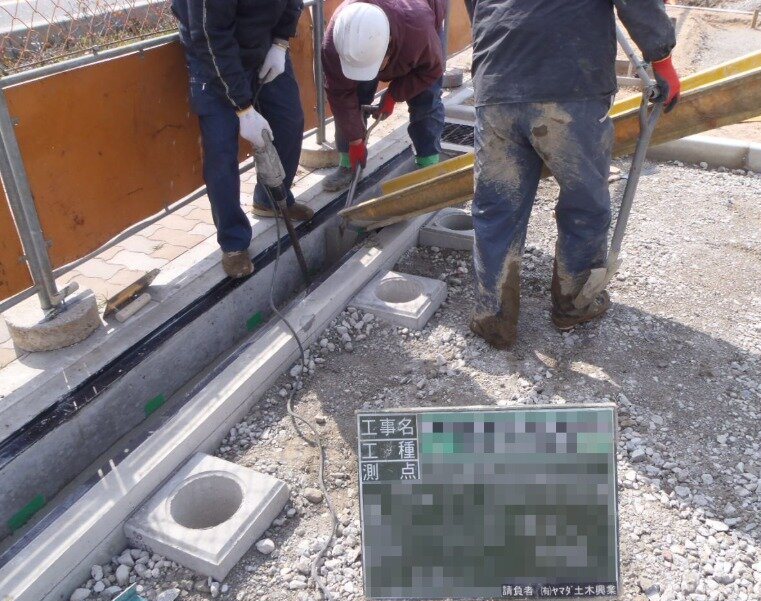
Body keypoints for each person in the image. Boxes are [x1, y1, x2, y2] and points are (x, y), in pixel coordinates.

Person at [469, 0, 681, 349]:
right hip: (571, 82)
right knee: (584, 202)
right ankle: (574, 303)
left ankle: (494, 316)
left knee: (496, 208)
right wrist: (663, 60)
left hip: (497, 82)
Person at [171, 0, 312, 279]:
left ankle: (271, 200)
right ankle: (233, 240)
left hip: (264, 43)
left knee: (289, 120)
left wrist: (280, 43)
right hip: (212, 56)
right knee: (221, 151)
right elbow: (211, 37)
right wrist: (244, 109)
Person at [321, 0, 446, 193]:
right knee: (352, 98)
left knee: (425, 100)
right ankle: (348, 162)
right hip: (391, 29)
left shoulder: (419, 30)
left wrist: (394, 95)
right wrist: (354, 141)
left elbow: (430, 71)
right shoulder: (335, 41)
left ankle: (428, 163)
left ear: (389, 45)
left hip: (418, 24)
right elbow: (340, 94)